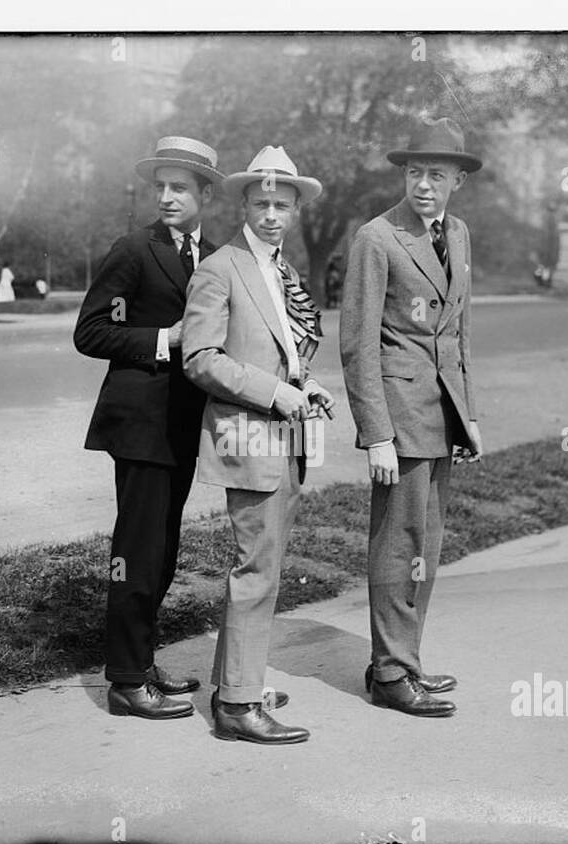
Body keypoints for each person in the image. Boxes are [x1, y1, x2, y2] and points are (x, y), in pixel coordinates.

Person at [182, 146, 334, 745]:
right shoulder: (220, 267)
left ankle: (236, 685)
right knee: (256, 571)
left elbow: (282, 349)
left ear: (296, 211)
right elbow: (200, 358)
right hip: (248, 438)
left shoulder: (280, 268)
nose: (272, 215)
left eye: (282, 205)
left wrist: (304, 384)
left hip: (284, 437)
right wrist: (275, 393)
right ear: (243, 205)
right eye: (261, 203)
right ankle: (239, 707)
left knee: (265, 568)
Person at [73, 136, 225, 720]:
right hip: (140, 426)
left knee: (163, 552)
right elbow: (91, 332)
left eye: (179, 188)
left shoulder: (215, 258)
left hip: (184, 426)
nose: (166, 197)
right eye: (160, 187)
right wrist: (166, 338)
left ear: (206, 194)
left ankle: (142, 661)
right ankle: (126, 681)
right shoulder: (134, 250)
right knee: (137, 553)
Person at [339, 116, 484, 718]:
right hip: (399, 417)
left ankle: (405, 660)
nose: (424, 185)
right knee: (398, 543)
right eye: (415, 172)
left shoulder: (460, 234)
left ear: (457, 182)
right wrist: (376, 434)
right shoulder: (377, 238)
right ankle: (390, 674)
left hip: (443, 414)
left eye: (437, 175)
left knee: (429, 541)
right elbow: (358, 344)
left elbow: (459, 333)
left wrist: (469, 416)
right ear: (403, 175)